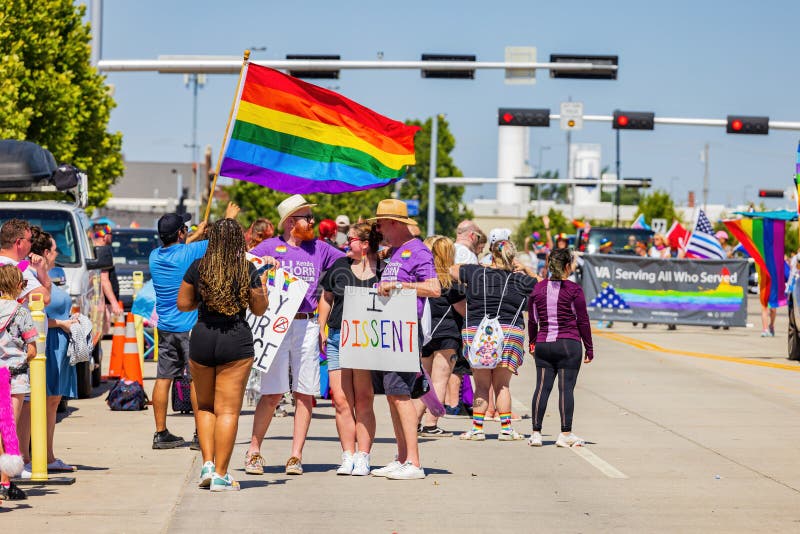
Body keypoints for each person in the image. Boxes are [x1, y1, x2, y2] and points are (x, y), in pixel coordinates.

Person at [246, 194, 344, 476]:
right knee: (272, 392)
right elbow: (246, 269)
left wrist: (379, 251)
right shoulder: (270, 247)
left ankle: (296, 455)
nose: (312, 221)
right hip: (277, 325)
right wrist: (262, 265)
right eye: (306, 218)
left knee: (305, 393)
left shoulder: (320, 249)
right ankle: (254, 450)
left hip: (308, 323)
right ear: (291, 222)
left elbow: (352, 257)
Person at [177, 219, 268, 492]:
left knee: (204, 406)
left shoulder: (199, 267)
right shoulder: (246, 268)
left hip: (203, 337)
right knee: (228, 410)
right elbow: (260, 308)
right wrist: (261, 287)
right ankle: (221, 474)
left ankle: (207, 463)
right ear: (239, 241)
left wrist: (203, 297)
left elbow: (183, 304)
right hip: (236, 340)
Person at [369, 199, 441, 480]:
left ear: (395, 223)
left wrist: (401, 285)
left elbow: (434, 288)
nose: (378, 228)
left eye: (380, 223)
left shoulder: (418, 251)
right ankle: (402, 457)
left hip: (405, 333)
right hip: (392, 332)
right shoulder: (397, 252)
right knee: (393, 396)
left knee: (401, 397)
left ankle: (414, 461)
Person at [149, 204, 231, 450]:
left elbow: (180, 246)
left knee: (164, 378)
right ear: (181, 233)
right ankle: (199, 434)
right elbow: (220, 240)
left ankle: (160, 433)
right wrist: (227, 218)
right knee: (197, 380)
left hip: (165, 326)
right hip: (190, 327)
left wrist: (195, 233)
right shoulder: (191, 252)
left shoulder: (155, 256)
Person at [451, 239, 537, 442]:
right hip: (509, 333)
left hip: (477, 333)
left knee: (481, 384)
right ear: (513, 256)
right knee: (502, 385)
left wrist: (482, 265)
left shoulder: (475, 273)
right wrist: (525, 268)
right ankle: (506, 429)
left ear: (491, 253)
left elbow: (452, 270)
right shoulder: (520, 280)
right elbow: (543, 285)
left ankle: (477, 428)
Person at [318, 222, 382, 476]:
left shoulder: (384, 270)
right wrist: (321, 327)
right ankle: (347, 455)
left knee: (364, 398)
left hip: (367, 341)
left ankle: (363, 456)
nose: (346, 244)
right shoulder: (340, 267)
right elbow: (326, 297)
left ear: (365, 244)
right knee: (342, 400)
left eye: (352, 240)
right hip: (336, 337)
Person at [527, 248, 594, 448]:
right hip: (568, 344)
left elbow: (533, 320)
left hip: (543, 344)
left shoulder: (538, 289)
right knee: (566, 389)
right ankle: (565, 433)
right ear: (567, 266)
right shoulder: (574, 290)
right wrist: (589, 348)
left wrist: (532, 341)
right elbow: (583, 321)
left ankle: (536, 433)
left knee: (541, 387)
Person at [29, 228, 77, 474]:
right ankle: (36, 456)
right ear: (46, 252)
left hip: (59, 344)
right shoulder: (34, 277)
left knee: (53, 401)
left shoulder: (46, 274)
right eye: (55, 249)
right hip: (45, 344)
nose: (57, 253)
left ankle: (48, 454)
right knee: (41, 401)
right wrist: (62, 324)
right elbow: (31, 315)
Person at [414, 235, 465, 437]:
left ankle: (413, 422)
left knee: (422, 382)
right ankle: (430, 424)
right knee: (439, 380)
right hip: (446, 335)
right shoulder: (450, 283)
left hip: (424, 334)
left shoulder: (423, 281)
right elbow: (464, 311)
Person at [0, 264, 37, 501]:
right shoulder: (21, 313)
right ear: (17, 286)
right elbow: (32, 349)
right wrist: (25, 355)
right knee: (8, 427)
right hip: (14, 377)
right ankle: (5, 481)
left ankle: (3, 479)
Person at [91, 224, 123, 316]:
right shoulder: (102, 252)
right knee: (105, 328)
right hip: (103, 303)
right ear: (105, 236)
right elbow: (104, 280)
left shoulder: (92, 250)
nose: (112, 236)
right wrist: (114, 303)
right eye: (110, 234)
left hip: (99, 301)